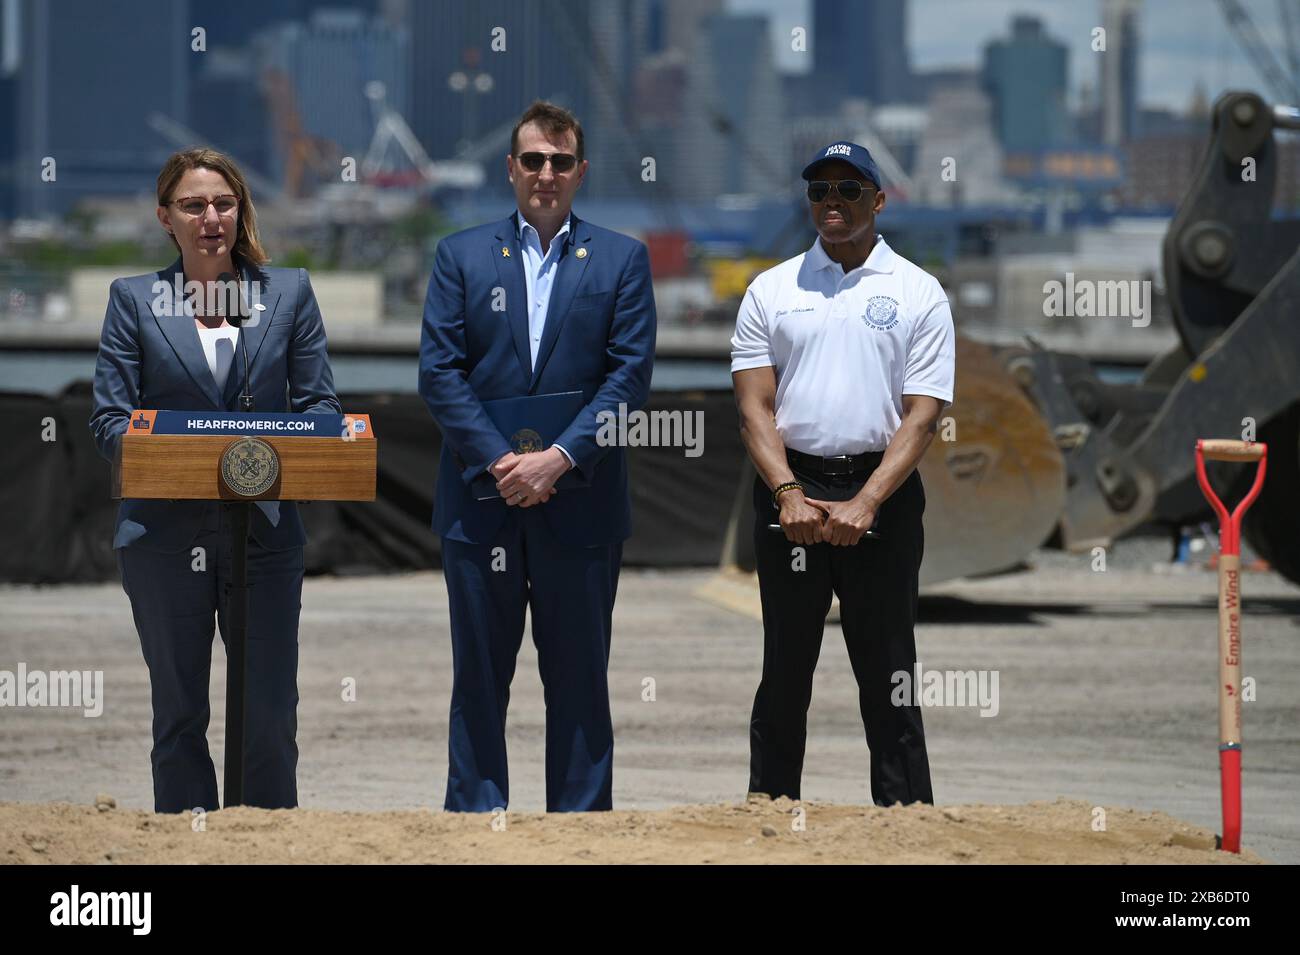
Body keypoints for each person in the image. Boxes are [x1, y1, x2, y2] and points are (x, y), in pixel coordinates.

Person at [418, 101, 656, 812]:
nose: (545, 173)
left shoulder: (623, 258)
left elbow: (629, 377)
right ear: (511, 168)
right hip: (479, 502)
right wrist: (501, 462)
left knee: (581, 680)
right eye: (532, 160)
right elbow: (440, 373)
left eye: (559, 161)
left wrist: (557, 459)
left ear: (580, 170)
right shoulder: (459, 255)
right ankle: (475, 822)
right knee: (479, 681)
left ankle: (580, 830)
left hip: (580, 504)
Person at [89, 148, 341, 813]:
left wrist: (277, 449)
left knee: (267, 711)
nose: (211, 218)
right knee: (178, 713)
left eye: (223, 204)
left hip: (264, 534)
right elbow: (111, 420)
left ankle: (264, 846)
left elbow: (320, 407)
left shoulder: (287, 292)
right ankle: (184, 844)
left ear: (241, 212)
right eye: (194, 205)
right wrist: (183, 453)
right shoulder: (133, 300)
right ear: (165, 217)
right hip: (163, 534)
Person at [731, 141, 955, 807]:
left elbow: (921, 416)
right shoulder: (771, 290)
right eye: (819, 190)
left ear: (879, 201)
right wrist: (788, 493)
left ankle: (907, 820)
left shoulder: (919, 291)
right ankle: (769, 813)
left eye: (849, 190)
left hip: (879, 497)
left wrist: (867, 502)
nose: (832, 202)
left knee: (890, 672)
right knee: (785, 672)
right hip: (790, 497)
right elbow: (753, 408)